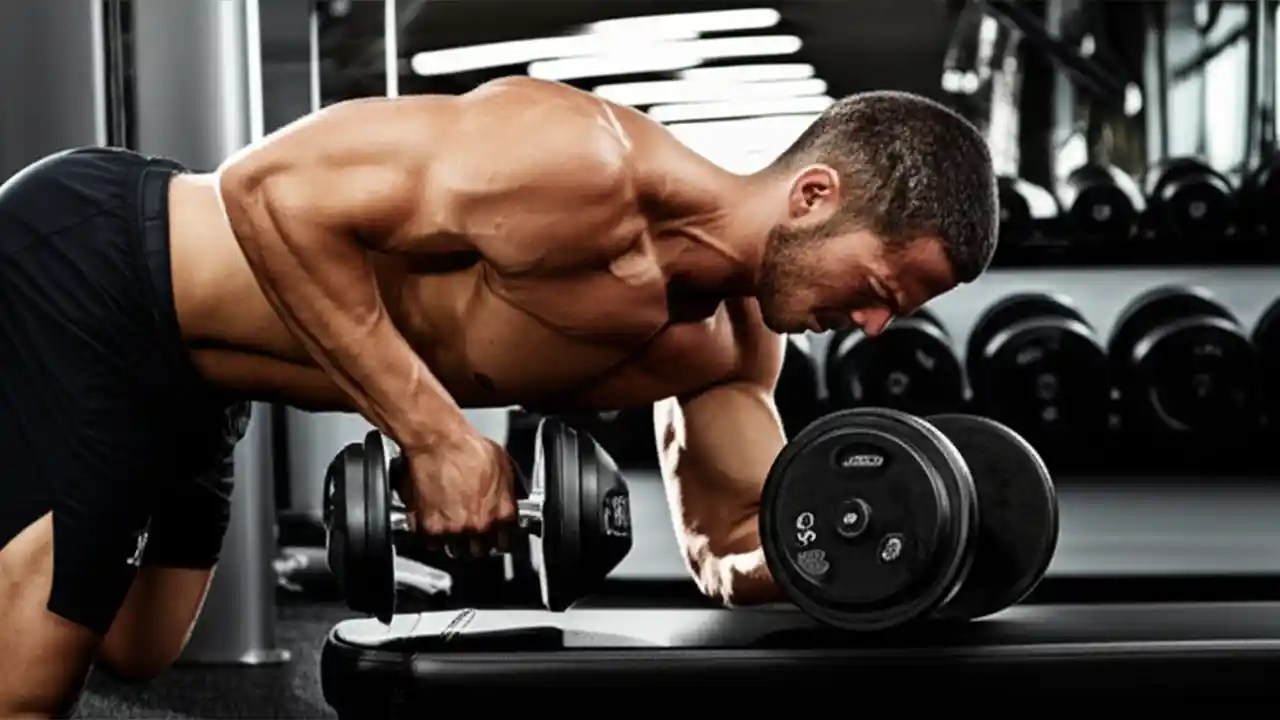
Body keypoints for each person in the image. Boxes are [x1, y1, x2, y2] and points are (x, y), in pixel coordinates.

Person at [0, 75, 996, 715]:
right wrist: (433, 439)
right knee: (28, 685)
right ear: (813, 197)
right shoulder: (579, 163)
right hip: (99, 268)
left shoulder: (731, 353)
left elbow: (734, 542)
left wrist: (881, 571)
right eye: (877, 288)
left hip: (199, 389)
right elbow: (267, 190)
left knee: (136, 648)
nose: (870, 326)